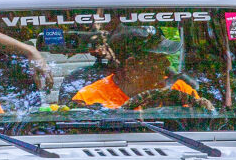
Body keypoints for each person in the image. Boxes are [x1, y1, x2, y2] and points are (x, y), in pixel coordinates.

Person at [73, 25, 215, 112]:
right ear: (132, 65)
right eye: (158, 59)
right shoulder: (88, 99)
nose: (166, 64)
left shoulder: (180, 89)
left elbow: (202, 122)